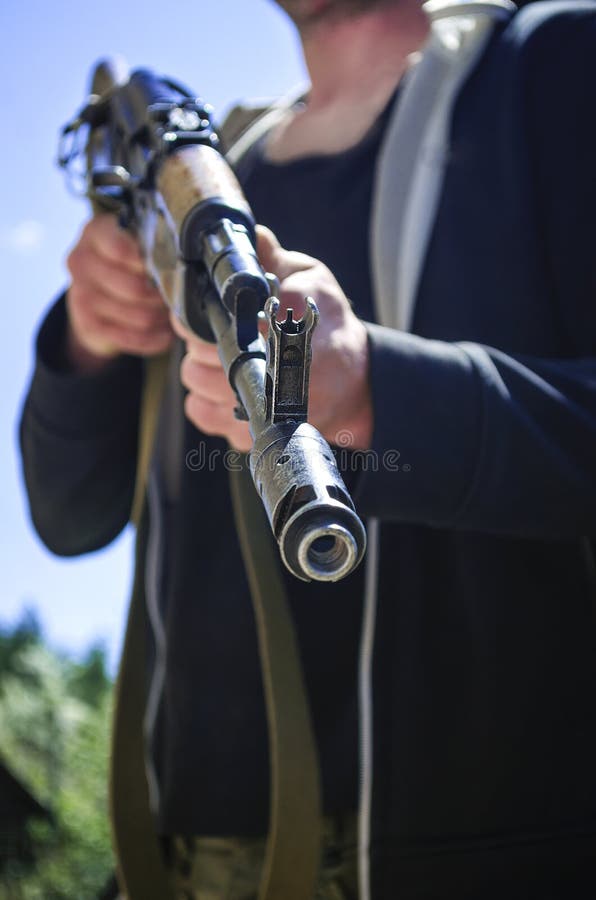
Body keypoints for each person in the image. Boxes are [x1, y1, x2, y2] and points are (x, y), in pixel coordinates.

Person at [19, 0, 596, 897]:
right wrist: (84, 343)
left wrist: (381, 394)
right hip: (171, 865)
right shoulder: (204, 177)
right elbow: (65, 518)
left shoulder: (559, 63)